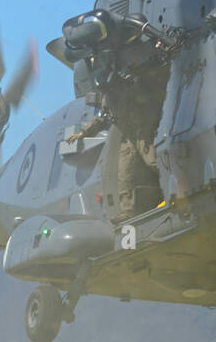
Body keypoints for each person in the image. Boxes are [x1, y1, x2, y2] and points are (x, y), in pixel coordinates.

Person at [68, 56, 170, 223]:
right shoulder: (109, 97)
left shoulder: (128, 86)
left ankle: (175, 186)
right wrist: (83, 133)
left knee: (154, 162)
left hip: (141, 131)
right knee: (125, 174)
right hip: (127, 136)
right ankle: (128, 211)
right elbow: (103, 119)